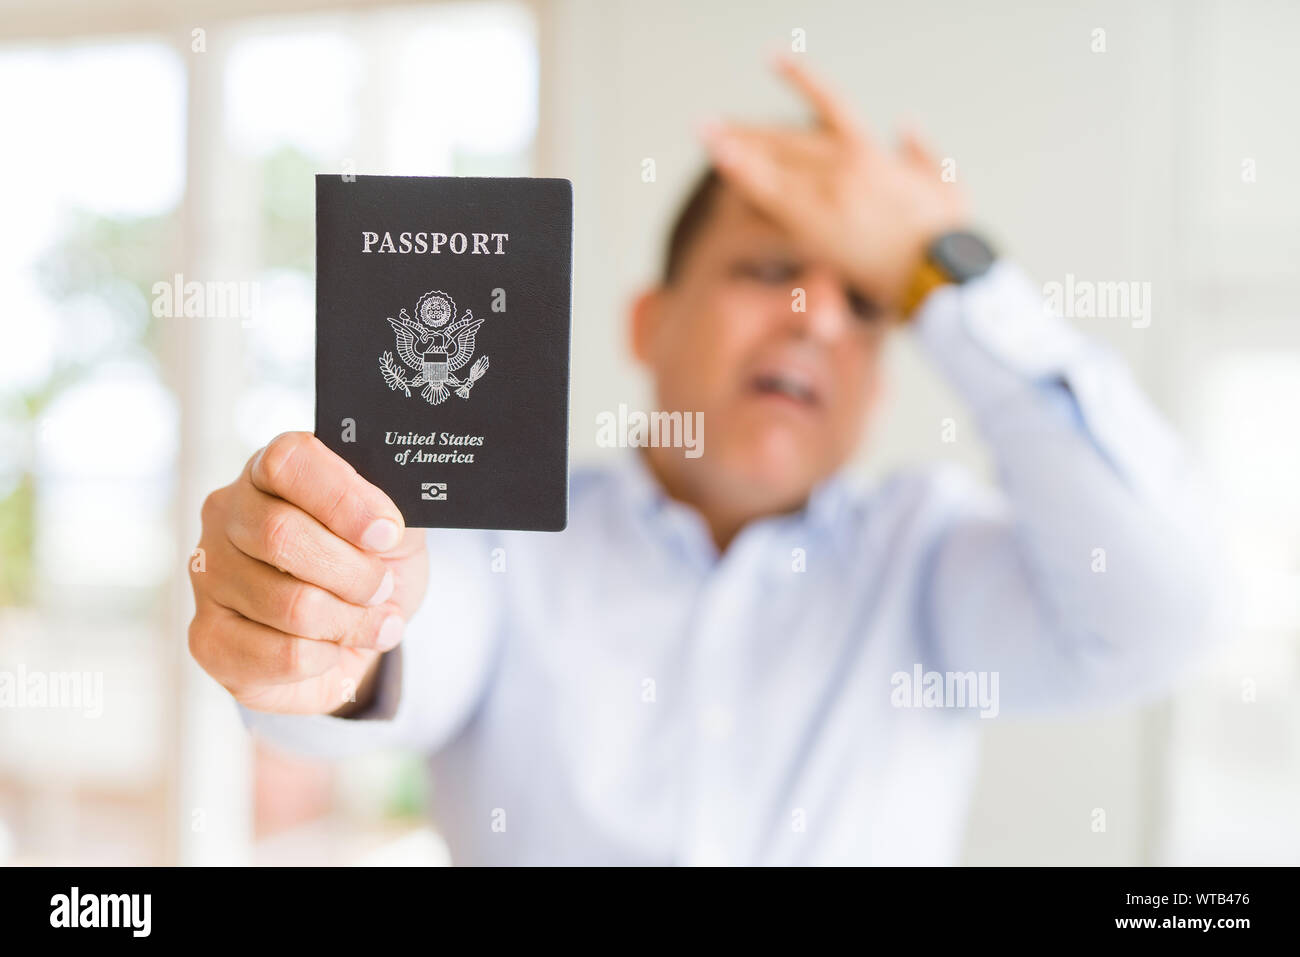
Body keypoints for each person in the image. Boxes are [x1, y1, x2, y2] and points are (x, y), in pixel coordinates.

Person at [188, 58, 1225, 865]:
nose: (815, 317)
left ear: (881, 379)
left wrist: (946, 271)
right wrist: (325, 621)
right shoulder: (503, 543)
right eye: (767, 270)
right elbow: (399, 644)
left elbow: (1162, 611)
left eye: (866, 302)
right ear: (646, 323)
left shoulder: (932, 563)